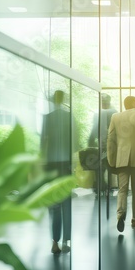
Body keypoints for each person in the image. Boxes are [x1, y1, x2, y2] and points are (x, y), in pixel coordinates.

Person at [107, 95, 135, 233]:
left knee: (122, 189)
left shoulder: (116, 117)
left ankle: (121, 215)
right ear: (134, 103)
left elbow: (110, 140)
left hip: (121, 158)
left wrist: (112, 160)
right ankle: (134, 220)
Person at [41, 90, 75, 254]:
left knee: (53, 203)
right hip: (66, 164)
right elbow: (75, 140)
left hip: (51, 164)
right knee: (66, 202)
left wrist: (42, 165)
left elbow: (43, 144)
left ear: (53, 99)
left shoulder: (47, 118)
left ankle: (55, 242)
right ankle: (66, 241)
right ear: (64, 99)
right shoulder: (70, 117)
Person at [88, 94, 118, 195]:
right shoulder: (112, 113)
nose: (103, 104)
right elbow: (95, 129)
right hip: (104, 145)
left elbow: (95, 129)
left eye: (105, 102)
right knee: (104, 167)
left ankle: (104, 186)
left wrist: (91, 142)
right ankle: (105, 186)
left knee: (105, 167)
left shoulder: (111, 113)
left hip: (106, 145)